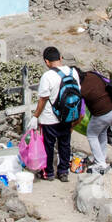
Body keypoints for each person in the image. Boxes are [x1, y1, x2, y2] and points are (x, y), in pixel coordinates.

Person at [33, 47, 80, 180]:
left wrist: (35, 116)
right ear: (60, 58)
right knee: (64, 144)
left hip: (49, 118)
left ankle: (48, 173)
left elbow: (43, 99)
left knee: (48, 146)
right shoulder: (73, 72)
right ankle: (63, 172)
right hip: (68, 116)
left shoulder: (47, 76)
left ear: (46, 61)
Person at [79, 70, 112, 174]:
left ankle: (100, 163)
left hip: (104, 114)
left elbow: (82, 111)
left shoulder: (81, 87)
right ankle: (102, 158)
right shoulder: (93, 74)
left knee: (91, 134)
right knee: (102, 132)